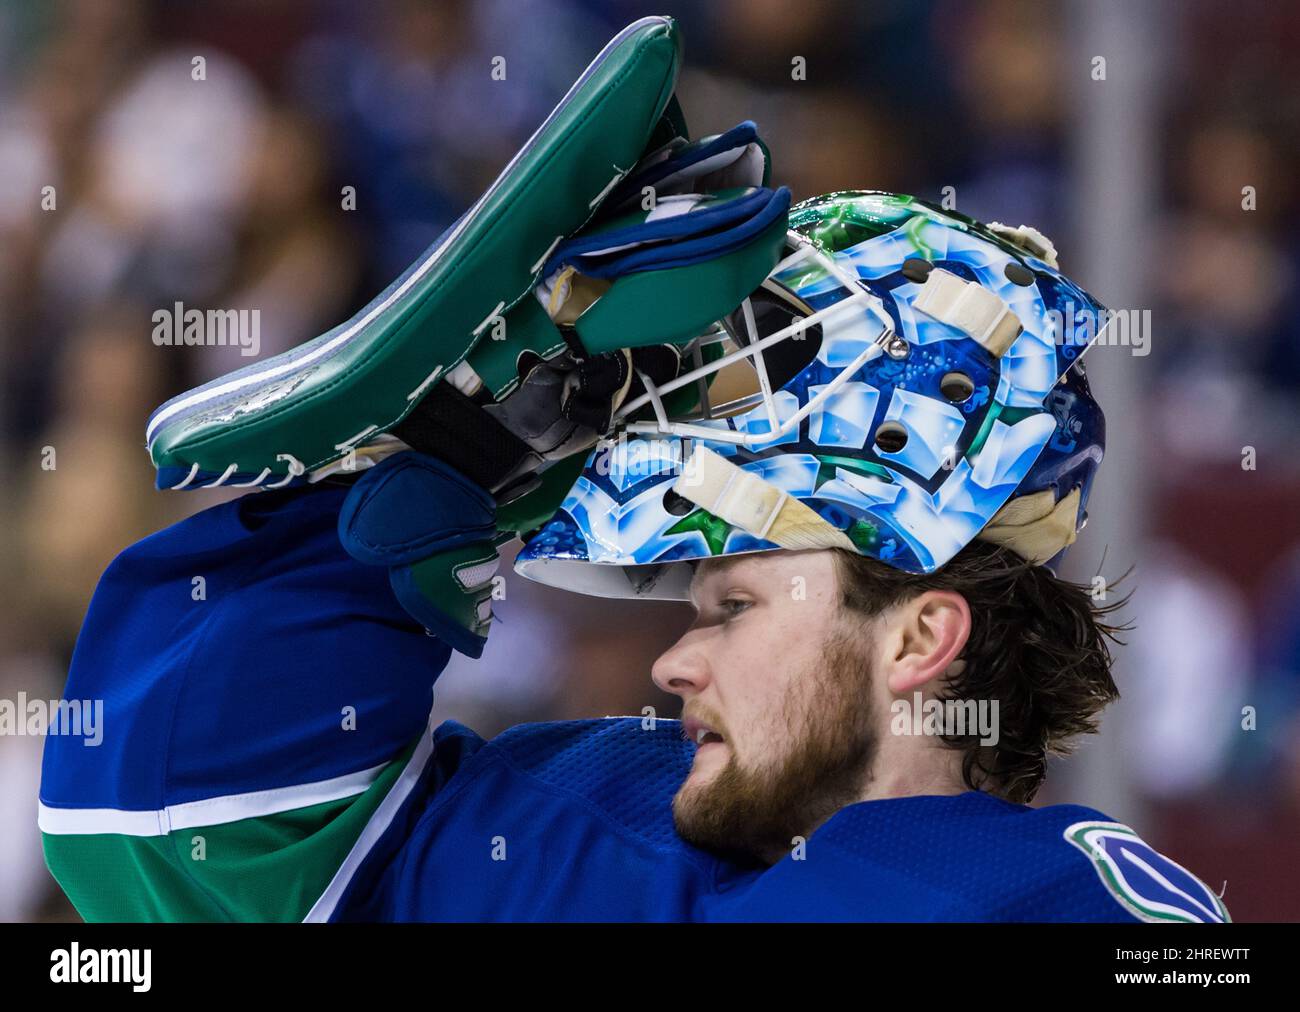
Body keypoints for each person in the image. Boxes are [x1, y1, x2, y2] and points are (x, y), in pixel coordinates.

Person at [39, 191, 1230, 923]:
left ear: (921, 636)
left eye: (734, 607)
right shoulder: (602, 808)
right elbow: (161, 825)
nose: (673, 666)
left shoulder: (1061, 904)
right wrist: (465, 456)